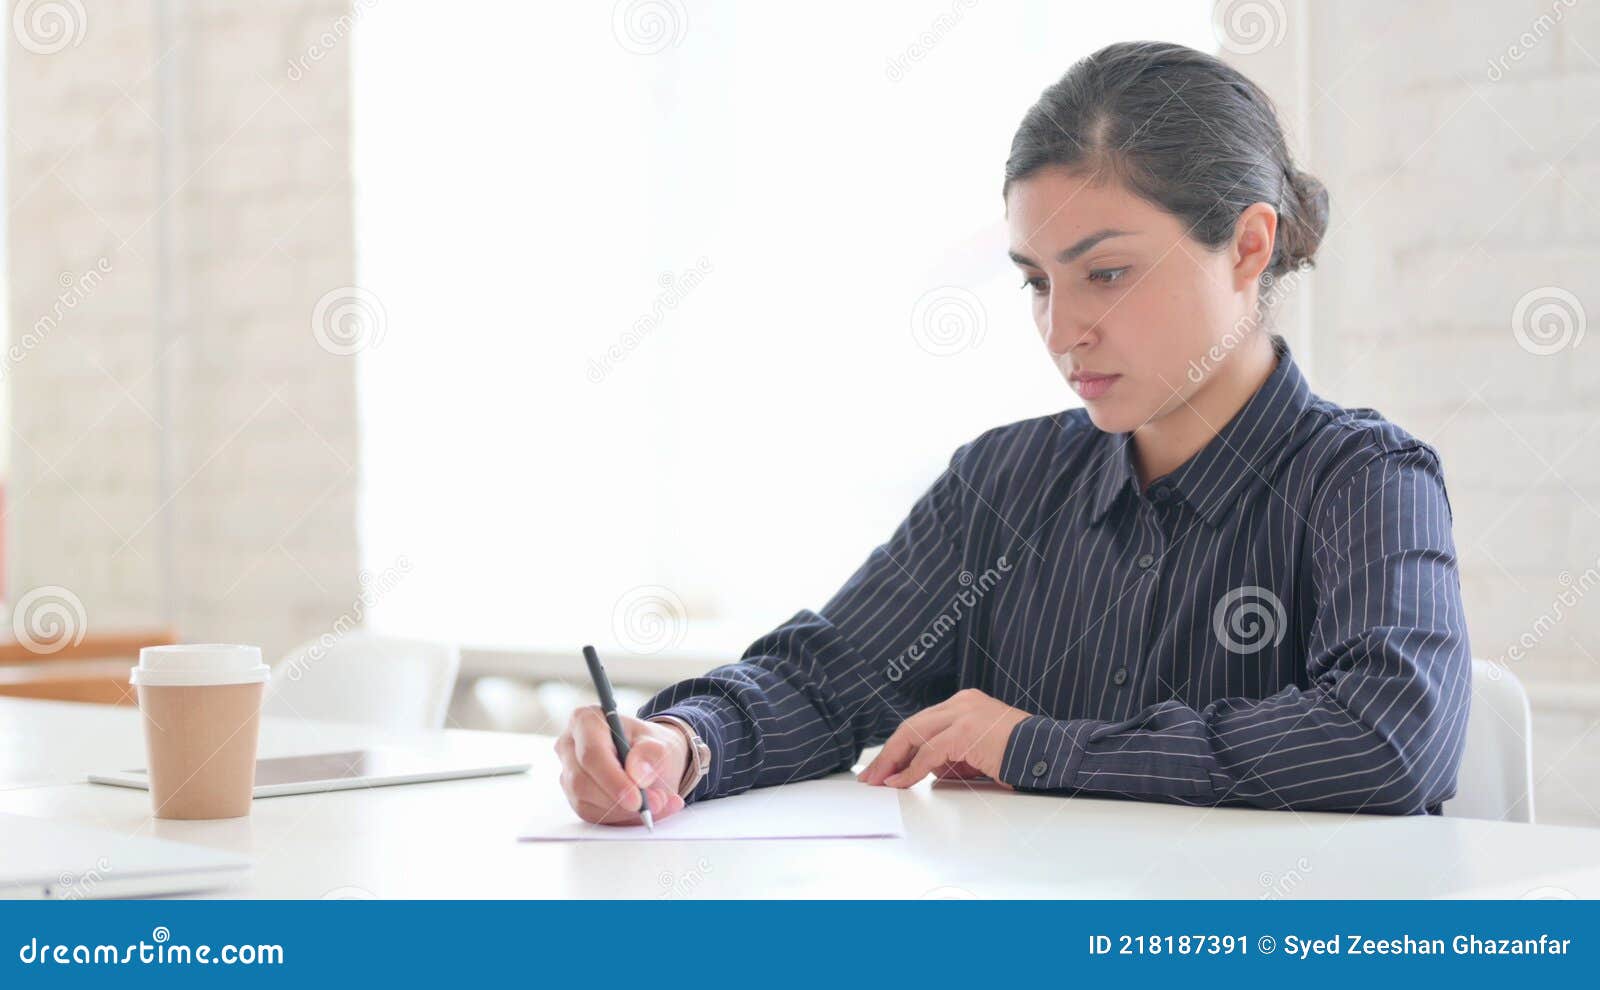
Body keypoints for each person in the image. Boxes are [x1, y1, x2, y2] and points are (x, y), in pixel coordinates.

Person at [554, 40, 1471, 825]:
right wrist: (681, 743)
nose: (1063, 328)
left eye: (1106, 273)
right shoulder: (1006, 481)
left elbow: (1386, 743)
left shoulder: (1364, 480)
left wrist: (1034, 746)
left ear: (1247, 245)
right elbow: (827, 681)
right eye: (1037, 281)